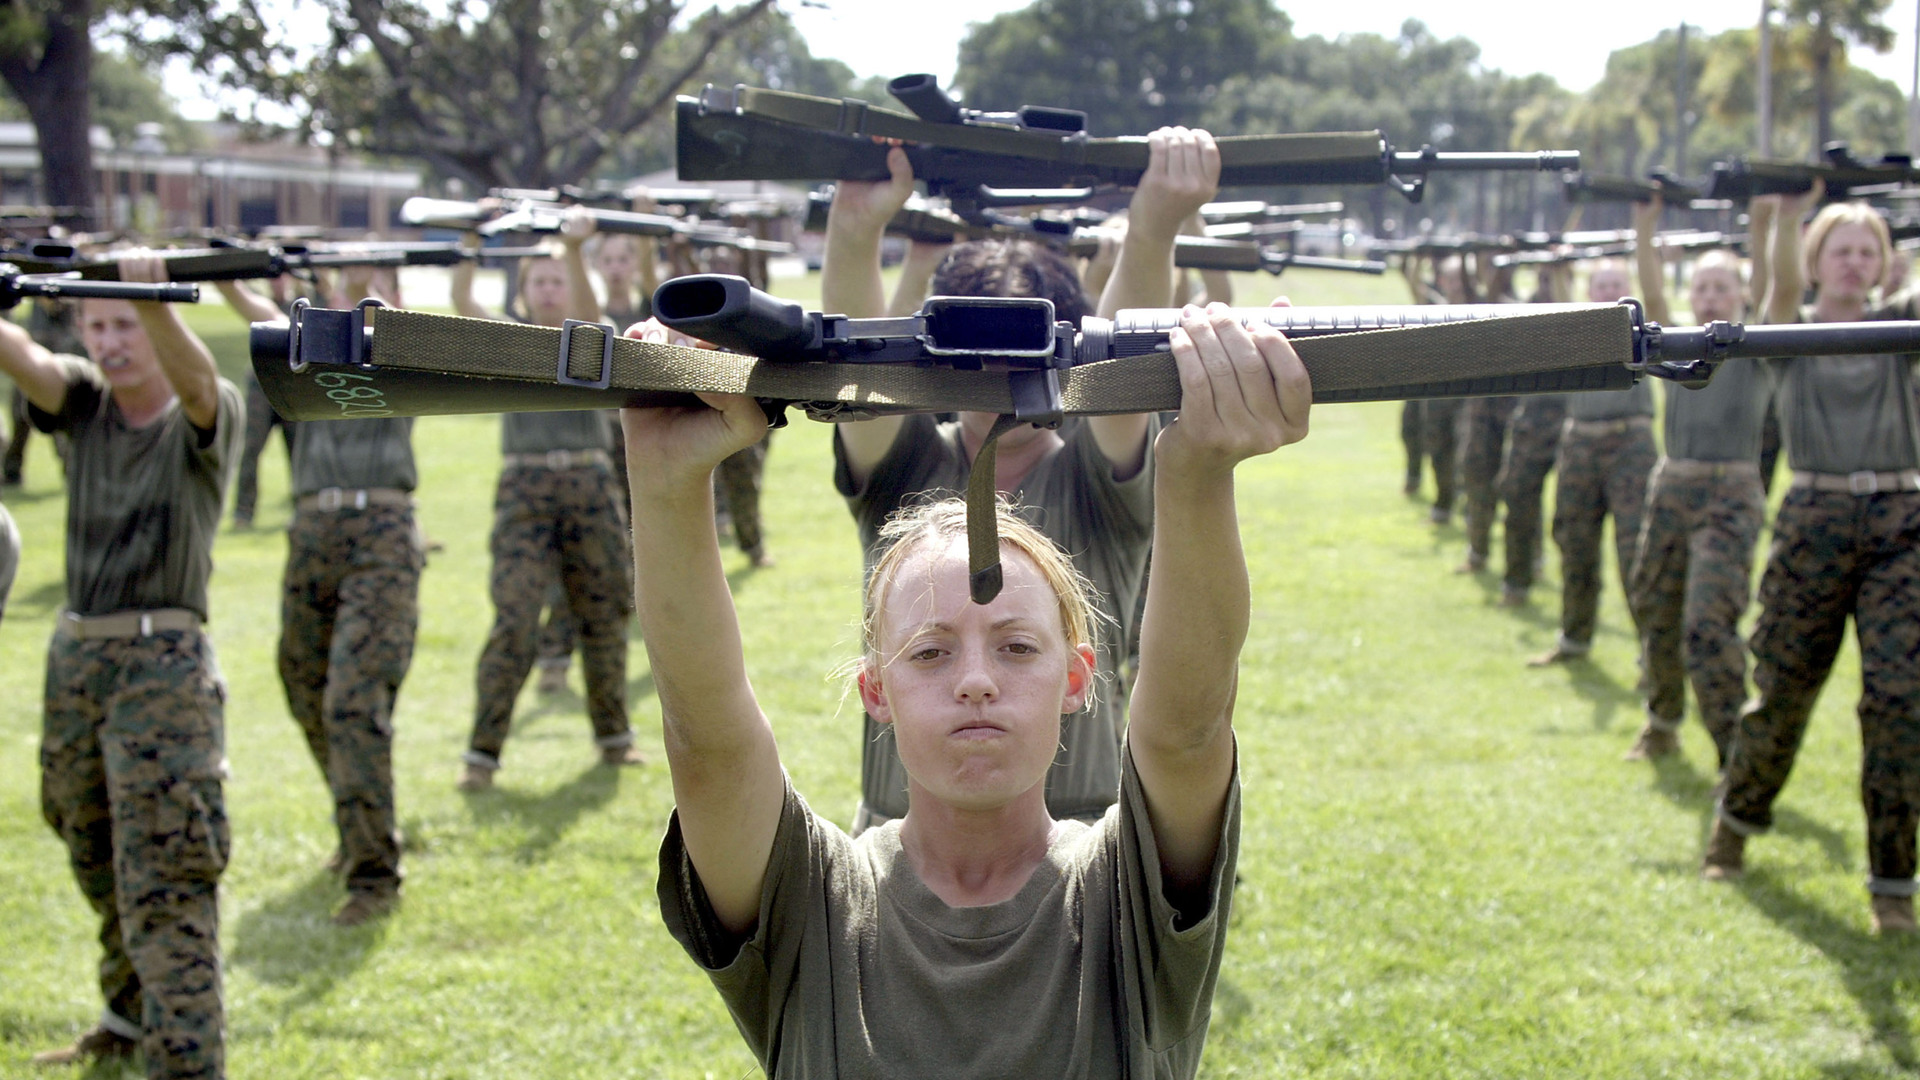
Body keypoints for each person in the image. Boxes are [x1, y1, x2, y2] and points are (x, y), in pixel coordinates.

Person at [633, 293, 1308, 1075]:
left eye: (1018, 647)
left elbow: (1189, 729)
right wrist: (664, 482)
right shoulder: (815, 902)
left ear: (1078, 679)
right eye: (929, 653)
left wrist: (1194, 472)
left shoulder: (1125, 901)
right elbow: (707, 741)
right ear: (874, 689)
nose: (977, 682)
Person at [822, 129, 1216, 832]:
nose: (997, 378)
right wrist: (854, 230)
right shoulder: (907, 463)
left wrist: (1152, 230)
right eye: (974, 352)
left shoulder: (1097, 479)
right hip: (898, 838)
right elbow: (858, 376)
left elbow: (1118, 374)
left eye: (1021, 354)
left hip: (1072, 841)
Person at [1, 255, 243, 1076]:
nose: (110, 342)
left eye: (126, 323)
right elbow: (23, 359)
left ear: (157, 324)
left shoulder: (204, 417)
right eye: (97, 324)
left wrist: (155, 300)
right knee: (89, 841)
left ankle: (185, 1061)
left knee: (167, 872)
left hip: (162, 668)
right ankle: (128, 1015)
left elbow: (202, 382)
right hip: (77, 657)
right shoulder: (79, 405)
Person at [1703, 187, 1920, 936]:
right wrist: (1788, 215)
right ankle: (1735, 822)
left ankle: (1893, 881)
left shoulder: (1904, 325)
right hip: (1815, 518)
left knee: (1899, 701)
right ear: (1818, 260)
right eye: (1841, 250)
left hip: (1902, 521)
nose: (1855, 263)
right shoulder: (1787, 334)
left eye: (1868, 251)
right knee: (1785, 688)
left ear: (1885, 264)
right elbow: (1781, 286)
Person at [219, 270, 423, 926]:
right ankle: (355, 822)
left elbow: (399, 326)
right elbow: (259, 314)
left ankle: (374, 876)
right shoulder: (302, 352)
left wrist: (373, 300)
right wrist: (228, 275)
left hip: (382, 530)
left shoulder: (404, 351)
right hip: (311, 530)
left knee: (352, 702)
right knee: (302, 682)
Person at [453, 221, 641, 790]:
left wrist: (578, 250)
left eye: (558, 280)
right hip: (524, 490)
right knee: (514, 618)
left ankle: (614, 739)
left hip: (588, 482)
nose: (550, 290)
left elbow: (592, 311)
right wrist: (469, 241)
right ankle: (481, 756)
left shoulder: (587, 337)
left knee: (603, 614)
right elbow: (461, 299)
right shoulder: (508, 339)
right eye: (540, 281)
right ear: (522, 291)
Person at [1620, 198, 1777, 768]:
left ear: (1740, 296)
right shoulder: (1677, 349)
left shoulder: (1754, 350)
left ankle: (1733, 757)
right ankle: (1661, 722)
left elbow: (1769, 287)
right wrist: (1645, 228)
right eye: (1703, 288)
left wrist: (1761, 227)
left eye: (1722, 287)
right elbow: (1653, 299)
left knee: (1707, 624)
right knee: (1655, 609)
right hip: (1671, 488)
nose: (1711, 296)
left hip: (1729, 494)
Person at [1528, 258, 1659, 665]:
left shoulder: (1643, 334)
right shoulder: (1578, 332)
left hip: (1630, 446)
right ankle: (1575, 638)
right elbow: (1564, 299)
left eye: (1616, 283)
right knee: (1575, 544)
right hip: (1580, 446)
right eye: (1601, 285)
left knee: (1635, 553)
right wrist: (1558, 267)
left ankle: (1650, 655)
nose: (1608, 291)